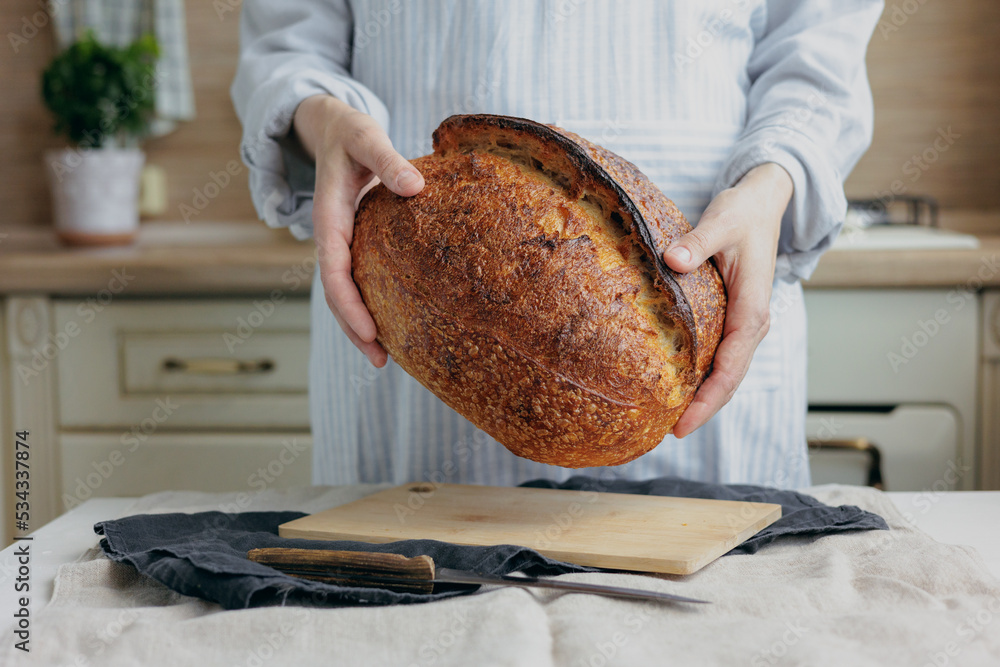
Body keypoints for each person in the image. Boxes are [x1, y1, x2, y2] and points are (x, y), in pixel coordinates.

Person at [231, 0, 883, 489]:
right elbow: (290, 44)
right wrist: (317, 117)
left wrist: (776, 179)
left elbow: (819, 51)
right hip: (408, 302)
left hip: (712, 283)